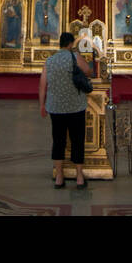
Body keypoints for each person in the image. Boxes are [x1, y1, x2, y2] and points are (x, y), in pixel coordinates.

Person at [39, 31, 90, 189]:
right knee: (77, 140)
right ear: (70, 44)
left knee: (58, 140)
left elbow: (42, 85)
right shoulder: (75, 57)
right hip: (76, 106)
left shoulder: (50, 60)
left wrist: (42, 104)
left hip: (56, 107)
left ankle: (59, 176)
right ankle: (79, 177)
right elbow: (89, 71)